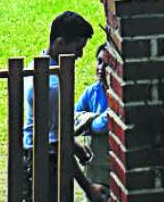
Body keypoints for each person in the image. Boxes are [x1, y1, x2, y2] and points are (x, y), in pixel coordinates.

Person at [23, 12, 98, 202]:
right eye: (78, 48)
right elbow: (58, 146)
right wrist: (88, 187)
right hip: (45, 164)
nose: (81, 55)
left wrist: (76, 146)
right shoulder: (52, 86)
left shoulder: (36, 65)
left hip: (31, 155)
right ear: (60, 43)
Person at [75, 44, 112, 200]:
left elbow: (102, 125)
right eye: (99, 62)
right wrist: (91, 119)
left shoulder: (118, 95)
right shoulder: (92, 91)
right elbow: (72, 117)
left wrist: (89, 121)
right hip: (94, 169)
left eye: (106, 64)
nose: (101, 68)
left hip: (111, 167)